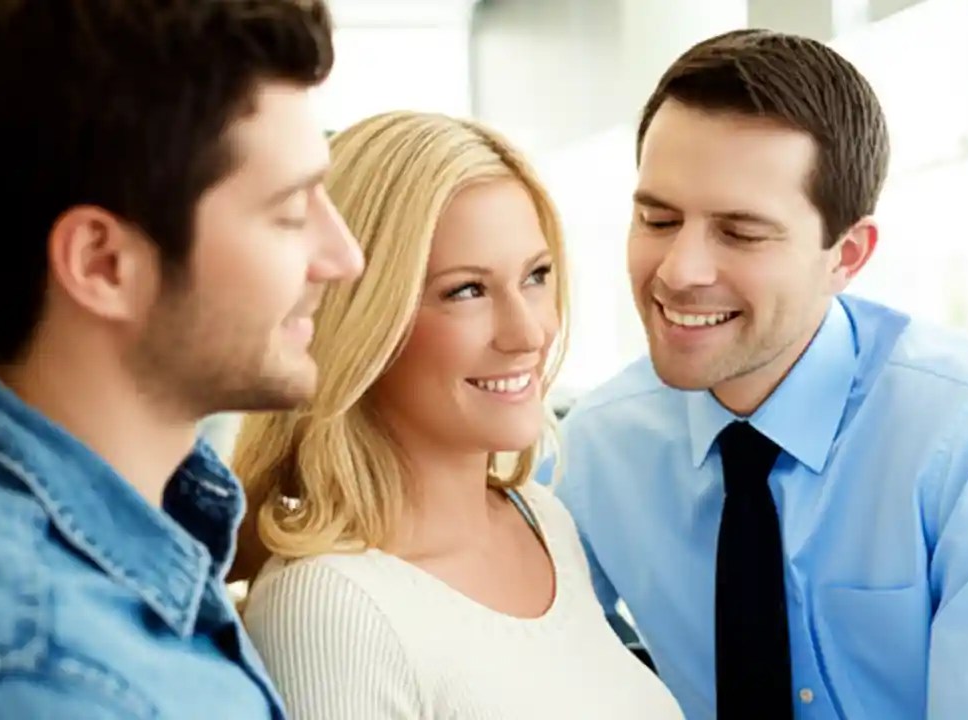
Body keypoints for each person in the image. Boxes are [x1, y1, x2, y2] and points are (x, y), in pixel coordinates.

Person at [540, 29, 968, 720]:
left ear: (847, 255)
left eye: (741, 233)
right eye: (658, 218)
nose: (678, 271)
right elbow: (519, 669)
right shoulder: (597, 449)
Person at [0, 1, 363, 717]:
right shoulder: (37, 678)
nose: (344, 257)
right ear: (103, 263)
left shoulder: (133, 555)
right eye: (288, 212)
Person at [230, 110, 685, 720]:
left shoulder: (542, 520)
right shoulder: (328, 604)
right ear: (364, 321)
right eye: (465, 290)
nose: (527, 332)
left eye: (536, 276)